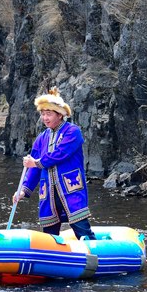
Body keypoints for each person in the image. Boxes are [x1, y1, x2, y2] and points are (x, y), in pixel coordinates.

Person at [12, 88, 94, 240]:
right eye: (42, 114)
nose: (45, 118)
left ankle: (97, 255)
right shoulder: (41, 138)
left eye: (48, 114)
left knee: (81, 229)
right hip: (48, 192)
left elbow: (59, 154)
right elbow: (33, 170)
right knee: (50, 235)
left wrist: (36, 162)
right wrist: (23, 190)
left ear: (60, 114)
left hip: (70, 189)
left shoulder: (73, 132)